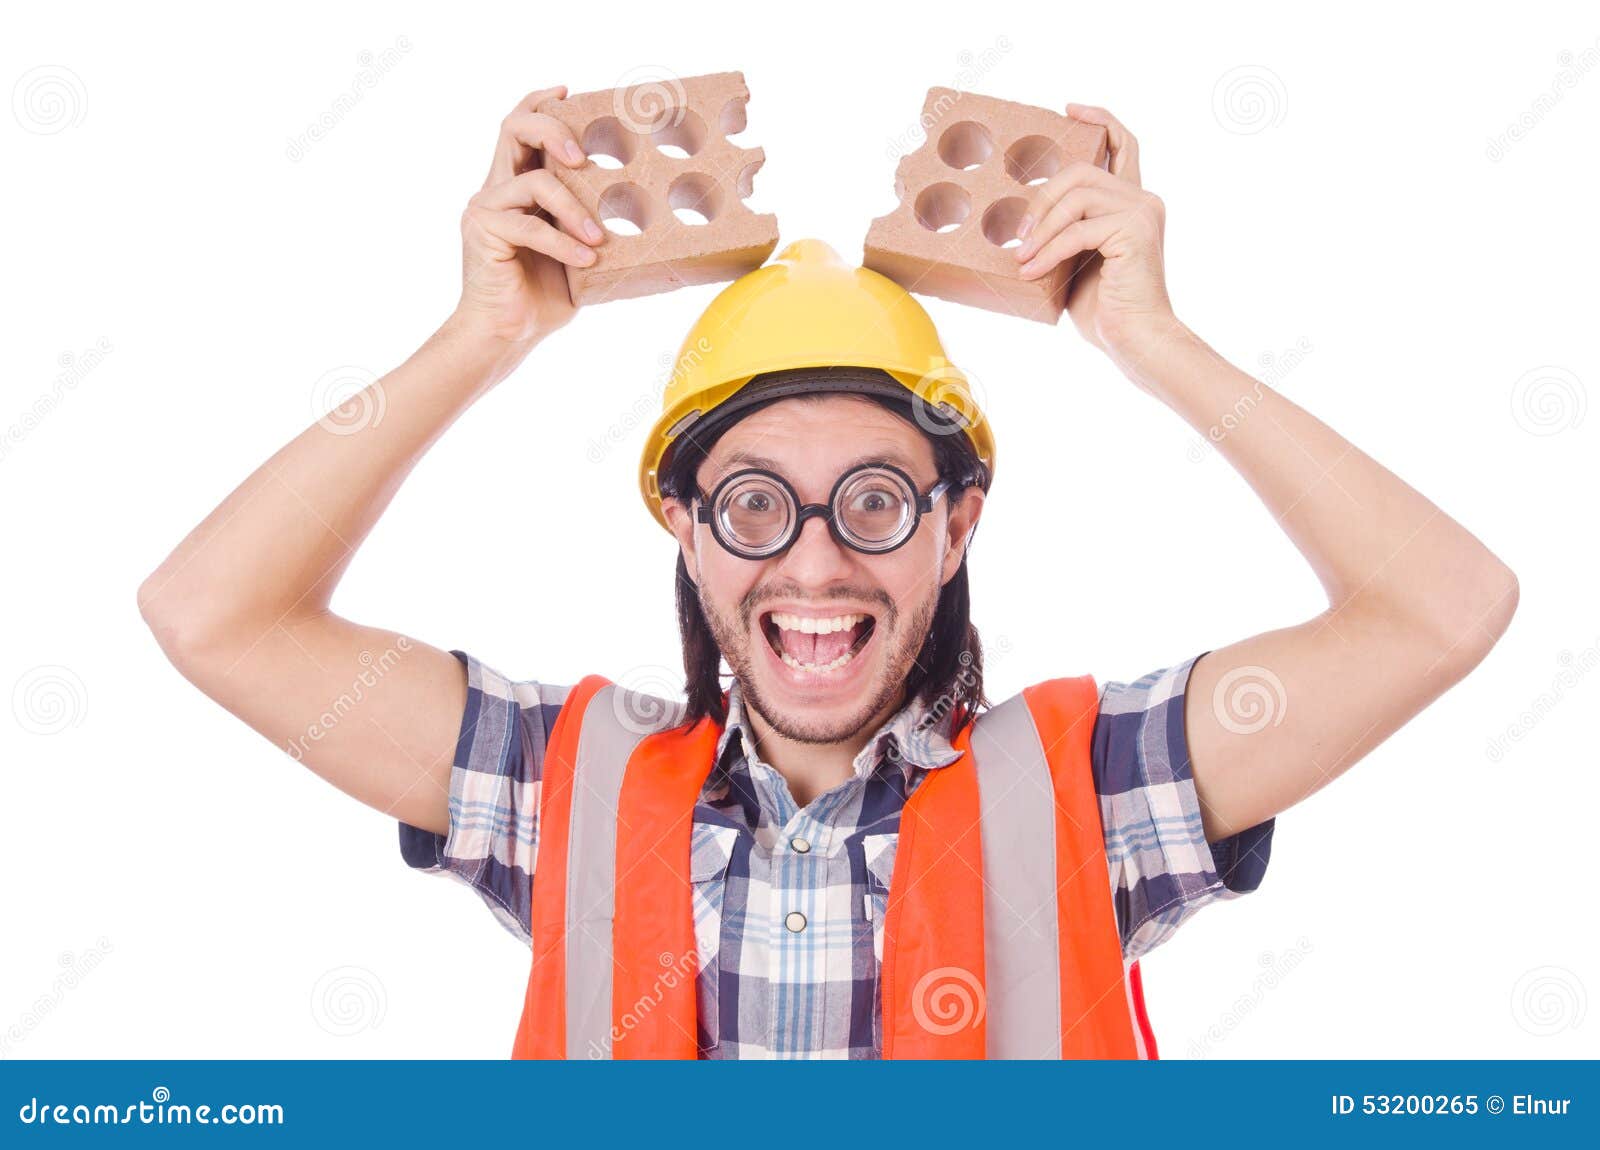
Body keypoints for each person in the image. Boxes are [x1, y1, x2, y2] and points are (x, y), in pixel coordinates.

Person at [138, 87, 1518, 1059]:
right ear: (684, 528)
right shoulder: (562, 790)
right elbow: (211, 614)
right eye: (753, 504)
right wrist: (479, 337)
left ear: (955, 527)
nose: (813, 561)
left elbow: (1444, 608)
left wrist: (1151, 343)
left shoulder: (1091, 794)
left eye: (874, 501)